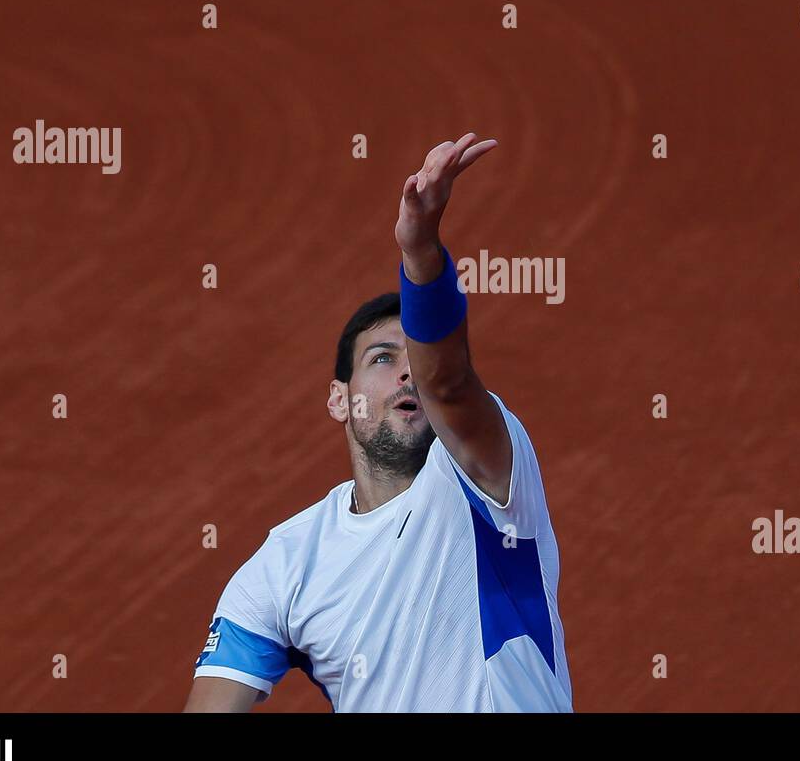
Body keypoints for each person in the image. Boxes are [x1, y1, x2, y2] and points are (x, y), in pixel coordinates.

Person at [183, 133, 572, 712]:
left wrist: (420, 253)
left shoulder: (486, 474)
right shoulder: (288, 561)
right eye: (383, 359)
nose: (408, 377)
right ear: (340, 400)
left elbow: (448, 381)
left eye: (414, 359)